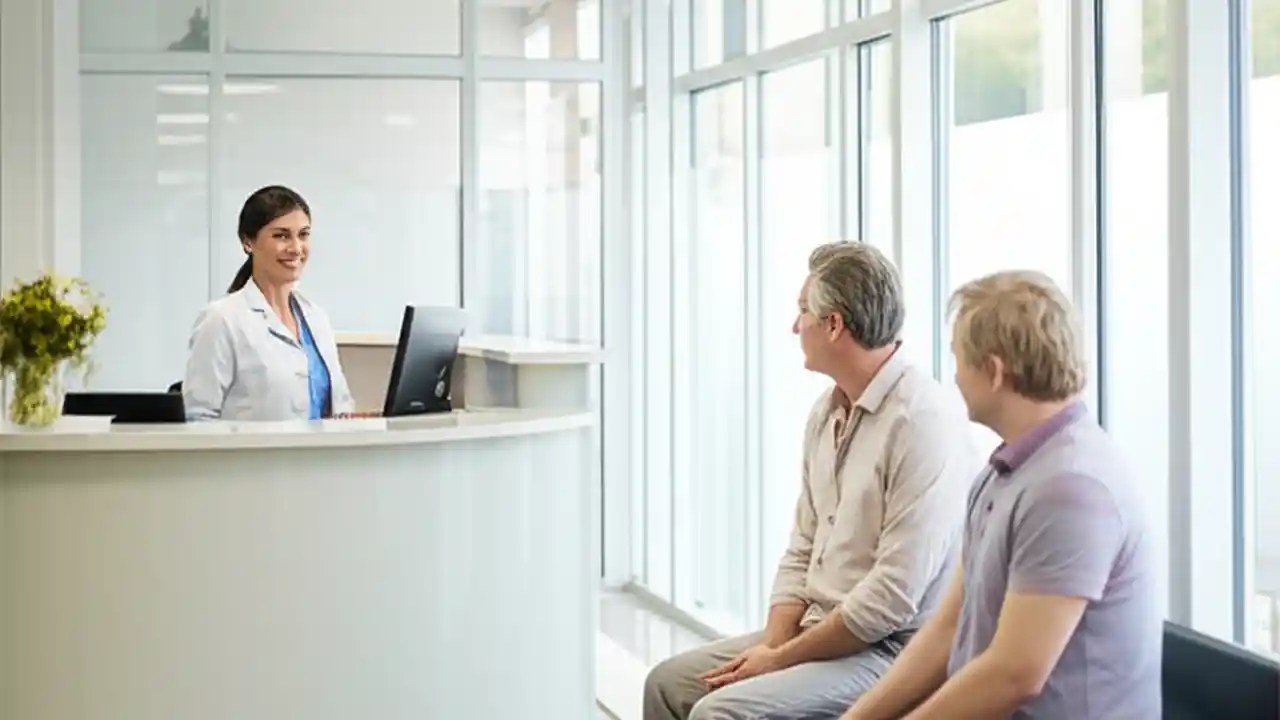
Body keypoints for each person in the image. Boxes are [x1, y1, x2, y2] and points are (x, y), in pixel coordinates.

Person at [643, 242, 978, 720]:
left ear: (834, 324)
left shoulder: (923, 422)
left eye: (803, 311)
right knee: (668, 685)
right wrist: (775, 643)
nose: (794, 326)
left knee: (718, 713)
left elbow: (891, 598)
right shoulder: (825, 413)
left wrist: (779, 660)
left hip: (890, 652)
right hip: (817, 633)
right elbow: (803, 545)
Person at [842, 270, 1161, 720]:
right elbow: (949, 626)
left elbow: (1014, 673)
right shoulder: (1006, 473)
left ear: (993, 371)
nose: (952, 376)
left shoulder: (1071, 488)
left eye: (958, 359)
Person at [183, 185, 354, 421]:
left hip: (320, 457)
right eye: (281, 236)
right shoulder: (222, 320)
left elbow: (342, 406)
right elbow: (198, 418)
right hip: (253, 458)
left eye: (303, 234)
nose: (296, 248)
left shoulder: (316, 318)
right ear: (248, 242)